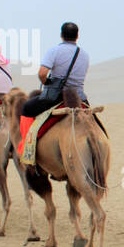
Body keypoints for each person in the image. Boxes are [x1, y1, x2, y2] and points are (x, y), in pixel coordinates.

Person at [18, 22, 90, 152]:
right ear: (77, 36)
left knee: (27, 108)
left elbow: (42, 73)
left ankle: (26, 147)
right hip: (79, 97)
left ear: (62, 35)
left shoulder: (54, 51)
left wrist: (46, 82)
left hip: (57, 97)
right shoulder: (84, 55)